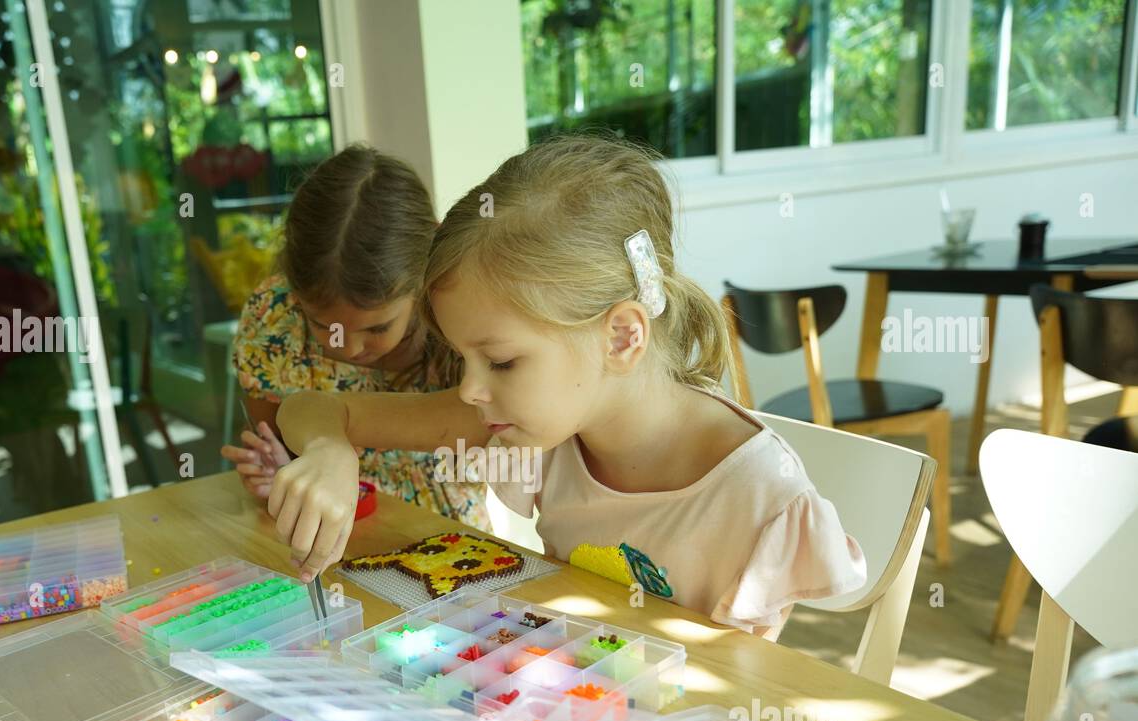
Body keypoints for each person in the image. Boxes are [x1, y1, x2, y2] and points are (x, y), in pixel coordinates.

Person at [267, 134, 865, 639]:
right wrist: (328, 452)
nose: (470, 390)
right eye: (461, 358)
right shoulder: (536, 421)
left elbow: (746, 698)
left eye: (499, 362)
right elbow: (313, 407)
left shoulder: (760, 500)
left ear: (622, 338)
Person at [219, 144, 489, 530]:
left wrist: (334, 438)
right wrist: (277, 470)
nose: (345, 347)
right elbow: (271, 438)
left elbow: (489, 431)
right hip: (321, 538)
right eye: (320, 324)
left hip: (449, 539)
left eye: (377, 328)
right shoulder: (273, 318)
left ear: (424, 274)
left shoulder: (462, 319)